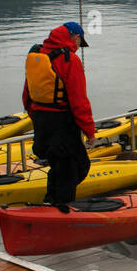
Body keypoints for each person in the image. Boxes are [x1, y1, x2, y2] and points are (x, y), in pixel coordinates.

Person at [24, 21, 96, 211]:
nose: (79, 48)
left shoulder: (37, 55)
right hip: (62, 123)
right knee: (75, 167)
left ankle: (50, 202)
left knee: (58, 166)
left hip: (41, 121)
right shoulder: (69, 60)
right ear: (76, 37)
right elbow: (79, 100)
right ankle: (62, 210)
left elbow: (27, 95)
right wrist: (90, 131)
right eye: (80, 43)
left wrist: (36, 118)